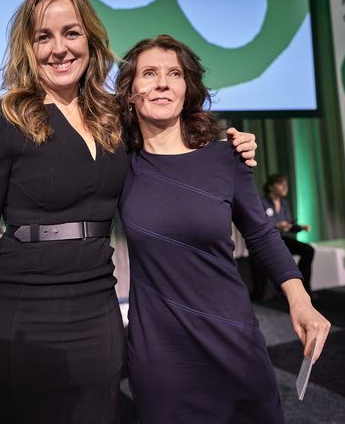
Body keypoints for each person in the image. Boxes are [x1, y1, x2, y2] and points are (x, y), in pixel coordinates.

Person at [0, 0, 258, 423]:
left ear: (90, 39)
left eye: (71, 33)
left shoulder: (112, 116)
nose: (59, 49)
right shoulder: (3, 115)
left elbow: (171, 138)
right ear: (28, 46)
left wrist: (228, 144)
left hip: (98, 305)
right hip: (26, 309)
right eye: (44, 36)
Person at [115, 34, 330, 423]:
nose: (162, 82)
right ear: (130, 92)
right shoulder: (118, 166)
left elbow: (262, 234)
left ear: (187, 88)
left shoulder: (225, 157)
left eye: (174, 74)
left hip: (233, 340)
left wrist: (299, 300)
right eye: (149, 73)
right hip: (161, 358)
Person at [262, 173, 315, 294]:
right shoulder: (261, 202)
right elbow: (258, 225)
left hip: (283, 239)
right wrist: (276, 225)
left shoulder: (284, 203)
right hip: (268, 241)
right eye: (281, 184)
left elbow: (288, 226)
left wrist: (300, 227)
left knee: (308, 250)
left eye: (286, 184)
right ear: (270, 186)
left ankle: (304, 288)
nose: (285, 187)